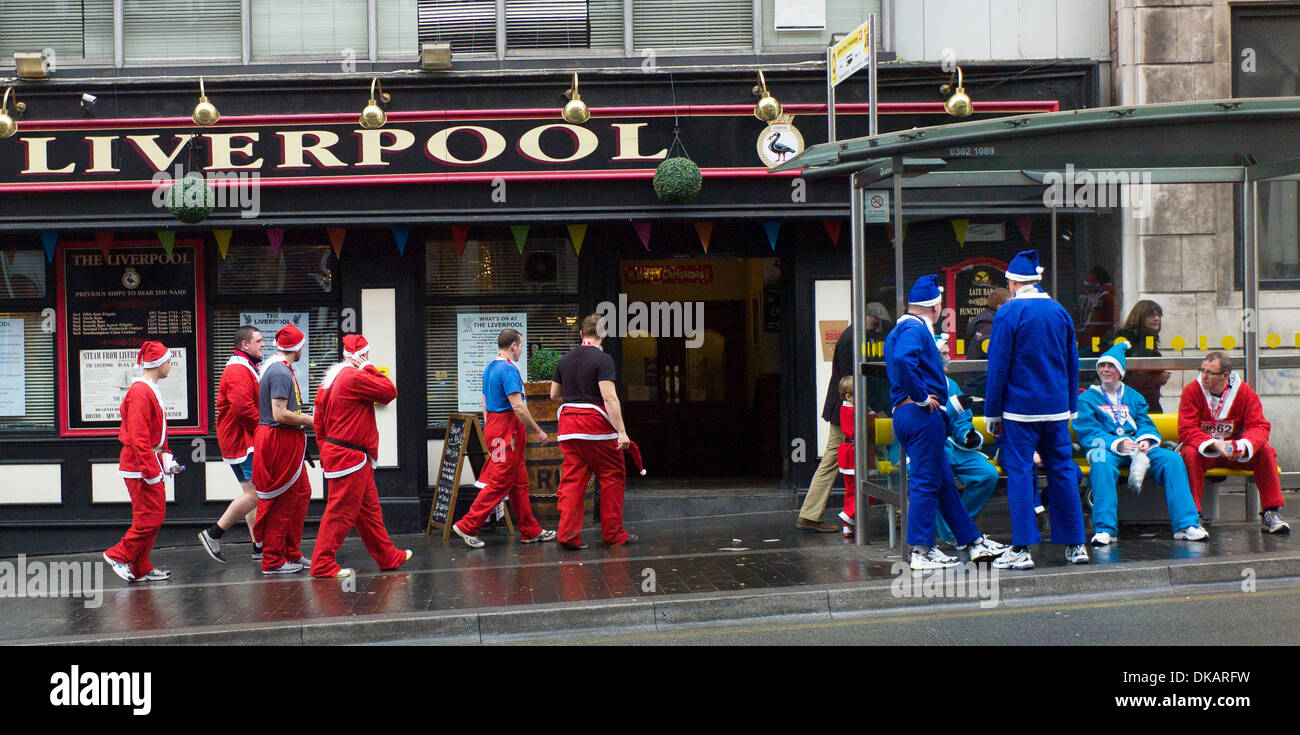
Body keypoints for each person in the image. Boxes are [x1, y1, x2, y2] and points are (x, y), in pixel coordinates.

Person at [885, 275, 1005, 570]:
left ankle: (972, 541)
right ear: (936, 306)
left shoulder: (899, 329)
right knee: (926, 483)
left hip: (906, 413)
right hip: (921, 415)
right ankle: (922, 550)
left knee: (943, 483)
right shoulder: (916, 329)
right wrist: (923, 397)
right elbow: (903, 360)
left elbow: (899, 361)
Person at [985, 249, 1090, 570]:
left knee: (1019, 474)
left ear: (1013, 281)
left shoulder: (1008, 313)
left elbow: (998, 366)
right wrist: (1071, 405)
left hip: (1019, 411)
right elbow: (1072, 362)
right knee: (1062, 472)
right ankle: (1076, 545)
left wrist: (992, 413)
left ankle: (1022, 548)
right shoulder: (1059, 311)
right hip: (1057, 409)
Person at [1074, 342, 1207, 545]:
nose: (1106, 370)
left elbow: (1145, 422)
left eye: (1111, 366)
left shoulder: (1133, 396)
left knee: (1172, 460)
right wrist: (1118, 443)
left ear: (1120, 371)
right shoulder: (1087, 399)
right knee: (1100, 464)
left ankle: (1186, 525)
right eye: (1102, 366)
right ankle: (1105, 529)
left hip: (1137, 447)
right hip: (1106, 449)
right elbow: (1088, 432)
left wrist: (1145, 440)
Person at [310, 335, 412, 578]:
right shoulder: (354, 376)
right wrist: (367, 367)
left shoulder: (330, 380)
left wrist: (325, 450)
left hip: (344, 455)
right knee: (341, 511)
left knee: (369, 510)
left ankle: (387, 555)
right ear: (363, 355)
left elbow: (318, 423)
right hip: (351, 456)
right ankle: (322, 563)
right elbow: (389, 391)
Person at [887, 333, 1002, 547]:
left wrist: (968, 434)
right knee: (935, 478)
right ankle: (950, 533)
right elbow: (923, 419)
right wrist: (953, 407)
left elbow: (961, 421)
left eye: (948, 353)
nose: (948, 358)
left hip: (954, 448)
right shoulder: (915, 384)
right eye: (944, 354)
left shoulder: (952, 384)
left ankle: (961, 526)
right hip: (923, 447)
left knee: (988, 474)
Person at [451, 329, 556, 548]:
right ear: (513, 346)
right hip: (507, 432)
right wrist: (539, 431)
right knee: (499, 482)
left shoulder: (490, 368)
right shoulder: (509, 370)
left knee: (519, 483)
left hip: (496, 428)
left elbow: (484, 402)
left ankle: (529, 530)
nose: (521, 351)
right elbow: (518, 406)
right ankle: (467, 525)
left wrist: (491, 428)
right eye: (521, 346)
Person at [550, 315, 637, 549]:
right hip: (597, 429)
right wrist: (622, 432)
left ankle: (567, 535)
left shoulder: (565, 360)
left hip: (569, 429)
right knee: (611, 477)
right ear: (603, 334)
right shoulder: (603, 360)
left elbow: (554, 395)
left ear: (580, 334)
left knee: (572, 482)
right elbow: (609, 397)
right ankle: (614, 534)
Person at [1178, 351, 1290, 534]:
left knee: (1266, 452)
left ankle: (1271, 512)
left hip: (1235, 449)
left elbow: (1260, 426)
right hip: (1205, 450)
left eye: (1210, 372)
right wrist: (1213, 444)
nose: (1203, 376)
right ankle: (1193, 516)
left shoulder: (1244, 392)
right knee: (1189, 454)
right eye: (1202, 370)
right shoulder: (1192, 391)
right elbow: (1187, 429)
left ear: (1225, 376)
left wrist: (1243, 445)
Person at [103, 341, 184, 583]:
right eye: (169, 360)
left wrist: (164, 460)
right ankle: (119, 554)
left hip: (147, 462)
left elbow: (152, 435)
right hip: (140, 466)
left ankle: (140, 566)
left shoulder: (146, 389)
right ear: (158, 364)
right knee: (149, 517)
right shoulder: (141, 392)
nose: (171, 364)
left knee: (152, 516)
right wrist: (151, 469)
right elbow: (139, 437)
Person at [252, 324, 315, 574]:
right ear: (298, 347)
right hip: (279, 441)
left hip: (286, 441)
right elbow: (279, 414)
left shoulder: (277, 367)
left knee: (300, 495)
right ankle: (273, 560)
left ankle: (291, 552)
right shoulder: (280, 372)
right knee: (282, 502)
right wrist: (312, 420)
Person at [198, 325, 264, 564]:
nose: (263, 344)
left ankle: (259, 547)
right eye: (258, 341)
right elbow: (243, 409)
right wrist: (266, 429)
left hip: (243, 440)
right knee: (255, 494)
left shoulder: (244, 366)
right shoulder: (238, 368)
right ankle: (213, 534)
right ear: (244, 345)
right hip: (243, 442)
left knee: (252, 493)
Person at [797, 322, 853, 532]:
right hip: (845, 411)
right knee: (831, 460)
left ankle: (809, 514)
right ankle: (809, 515)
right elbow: (850, 380)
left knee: (831, 460)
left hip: (842, 409)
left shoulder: (850, 336)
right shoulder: (852, 339)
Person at [1104, 300, 1170, 412]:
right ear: (1140, 318)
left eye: (1158, 315)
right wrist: (1158, 378)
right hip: (1139, 404)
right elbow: (1137, 378)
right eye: (1151, 315)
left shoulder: (1145, 341)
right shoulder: (1140, 343)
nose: (1157, 318)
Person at [835, 375, 857, 537]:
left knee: (852, 490)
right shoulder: (851, 410)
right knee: (856, 490)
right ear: (848, 396)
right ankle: (849, 517)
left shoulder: (848, 409)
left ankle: (849, 525)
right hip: (853, 454)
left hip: (850, 453)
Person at [1078, 266, 1117, 346]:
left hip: (1098, 338)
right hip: (1093, 337)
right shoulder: (1096, 296)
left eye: (1089, 286)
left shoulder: (1105, 296)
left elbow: (1097, 319)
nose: (1086, 290)